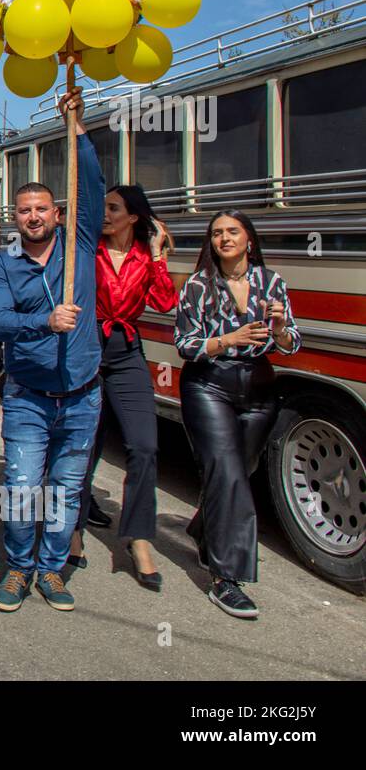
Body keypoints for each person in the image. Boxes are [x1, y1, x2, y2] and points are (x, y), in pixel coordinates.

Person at [0, 88, 103, 614]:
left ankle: (53, 570)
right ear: (16, 216)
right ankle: (18, 566)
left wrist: (75, 125)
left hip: (82, 394)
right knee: (22, 485)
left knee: (66, 490)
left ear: (56, 213)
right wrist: (44, 321)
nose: (33, 217)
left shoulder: (81, 244)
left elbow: (92, 184)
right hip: (29, 395)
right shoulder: (3, 264)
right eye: (24, 211)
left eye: (41, 209)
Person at [175, 210, 299, 619]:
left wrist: (279, 328)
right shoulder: (198, 285)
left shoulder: (272, 282)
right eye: (216, 234)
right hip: (209, 384)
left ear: (249, 238)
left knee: (242, 468)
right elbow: (186, 344)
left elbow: (292, 343)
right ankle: (226, 579)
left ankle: (201, 529)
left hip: (259, 386)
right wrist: (228, 340)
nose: (224, 239)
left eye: (232, 232)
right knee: (227, 473)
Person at [70, 185, 176, 589]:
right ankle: (74, 527)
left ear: (133, 217)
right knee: (86, 444)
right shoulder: (87, 248)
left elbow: (165, 304)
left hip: (128, 351)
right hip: (88, 346)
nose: (106, 213)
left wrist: (158, 256)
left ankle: (138, 537)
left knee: (144, 446)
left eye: (114, 208)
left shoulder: (144, 257)